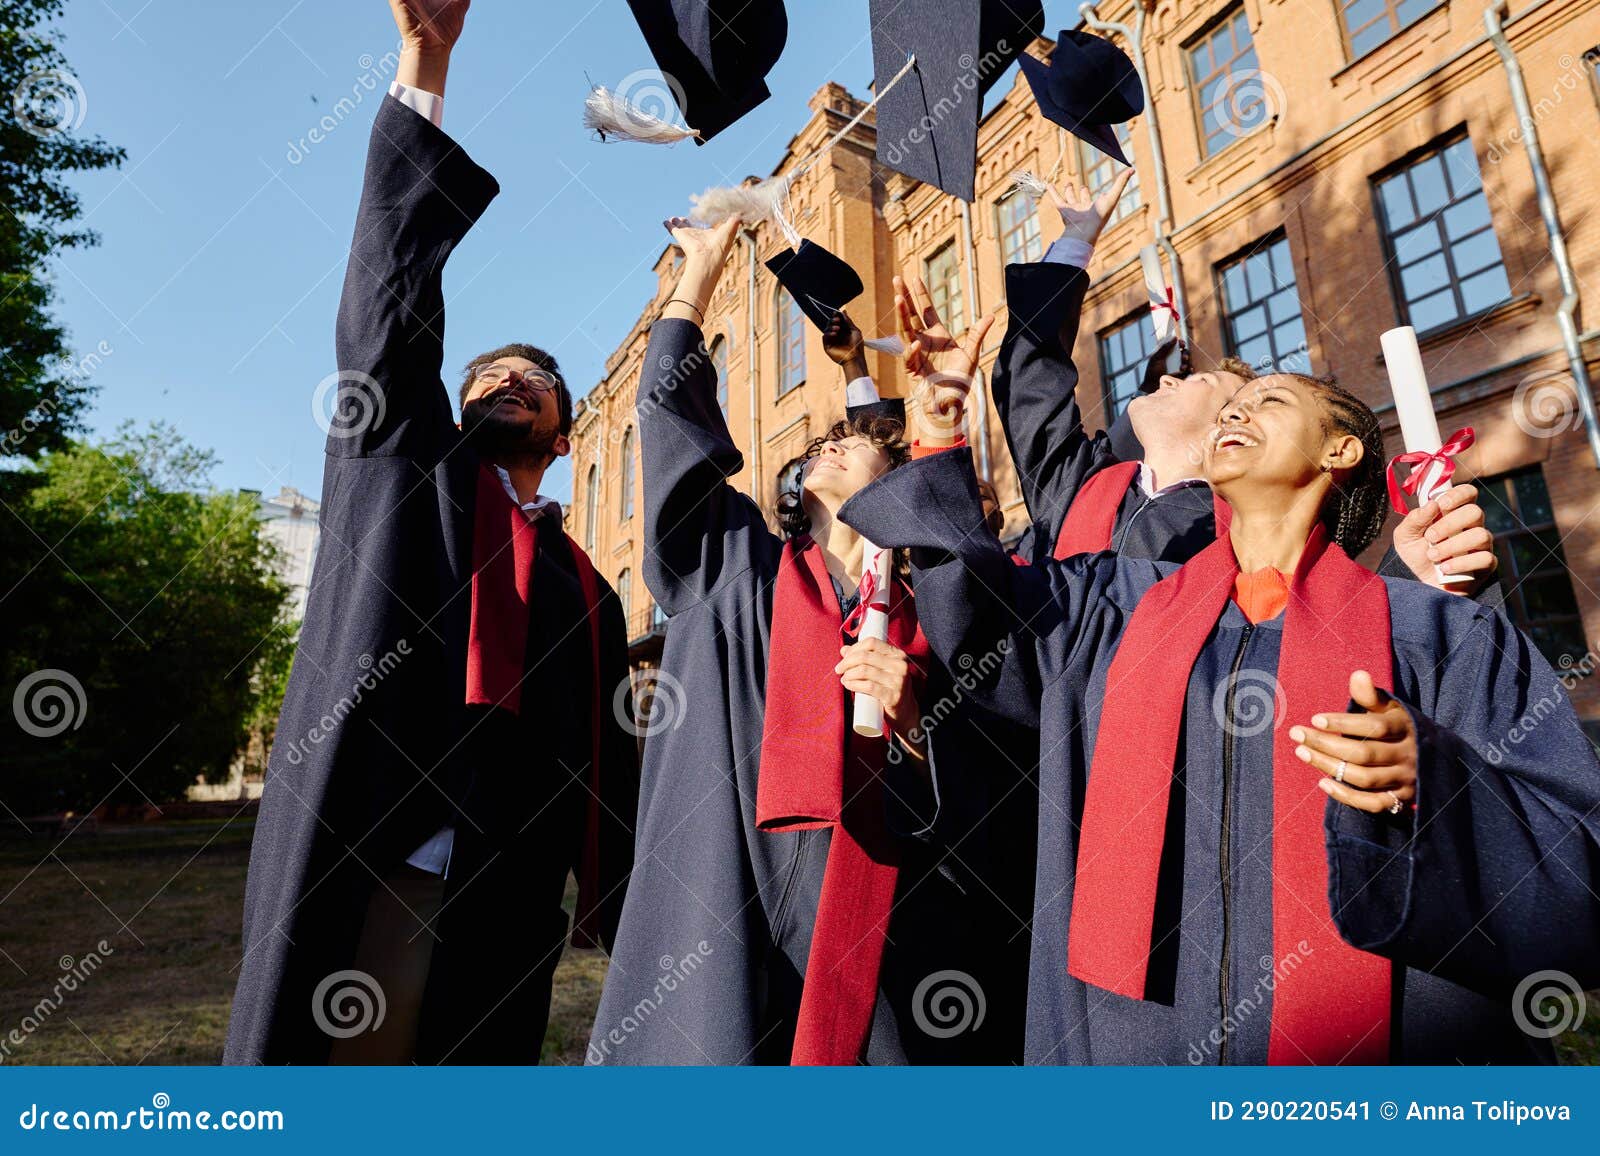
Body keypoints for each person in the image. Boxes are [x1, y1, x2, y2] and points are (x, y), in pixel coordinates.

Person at [840, 371, 1600, 1064]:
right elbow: (984, 625)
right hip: (1129, 1049)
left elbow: (1578, 859)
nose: (1237, 408)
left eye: (1270, 399)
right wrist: (938, 439)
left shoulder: (1439, 635)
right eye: (1232, 405)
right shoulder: (1111, 606)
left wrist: (1438, 782)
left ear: (1340, 450)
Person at [225, 0, 637, 1065]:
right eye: (485, 376)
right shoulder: (404, 470)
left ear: (562, 429)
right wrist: (425, 64)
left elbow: (611, 758)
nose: (506, 381)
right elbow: (386, 309)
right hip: (383, 857)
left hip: (506, 900)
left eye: (533, 380)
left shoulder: (587, 587)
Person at [588, 215, 1005, 1065]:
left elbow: (992, 780)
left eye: (850, 442)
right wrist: (697, 274)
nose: (827, 445)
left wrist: (917, 721)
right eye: (820, 443)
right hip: (727, 894)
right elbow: (673, 428)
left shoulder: (937, 606)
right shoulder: (736, 571)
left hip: (887, 920)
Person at [992, 173, 1502, 603]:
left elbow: (1309, 630)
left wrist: (1411, 575)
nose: (1169, 378)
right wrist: (1074, 244)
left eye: (1206, 382)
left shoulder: (1245, 530)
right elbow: (1031, 385)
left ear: (1229, 427)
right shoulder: (1079, 487)